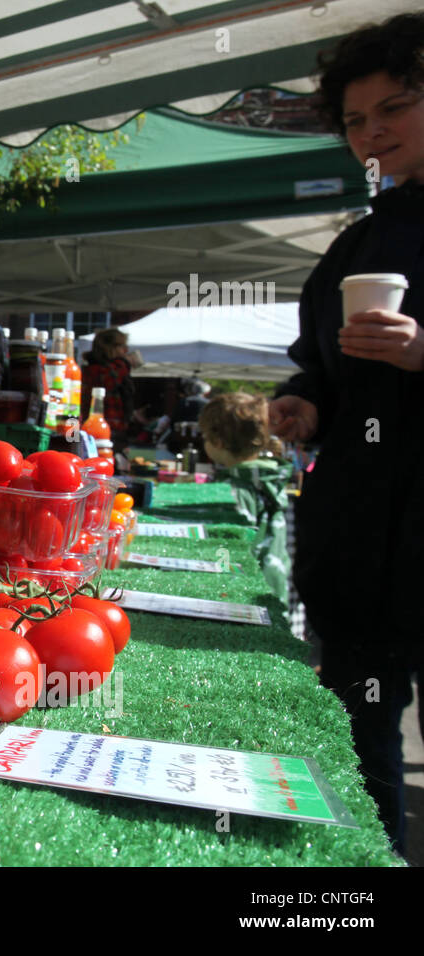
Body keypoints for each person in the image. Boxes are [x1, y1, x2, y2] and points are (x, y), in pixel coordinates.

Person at [268, 12, 424, 857]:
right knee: (364, 752)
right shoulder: (354, 246)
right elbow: (321, 371)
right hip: (361, 547)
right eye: (357, 121)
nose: (373, 133)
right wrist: (303, 401)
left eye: (395, 108)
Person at [198, 392, 290, 599]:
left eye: (205, 436)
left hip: (254, 594)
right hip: (278, 584)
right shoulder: (269, 478)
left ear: (218, 441)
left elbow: (231, 545)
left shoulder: (235, 491)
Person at [81, 327, 135, 452]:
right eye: (122, 346)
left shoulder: (108, 368)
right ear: (110, 348)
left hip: (114, 429)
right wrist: (124, 363)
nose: (126, 350)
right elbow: (109, 381)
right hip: (103, 430)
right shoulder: (98, 370)